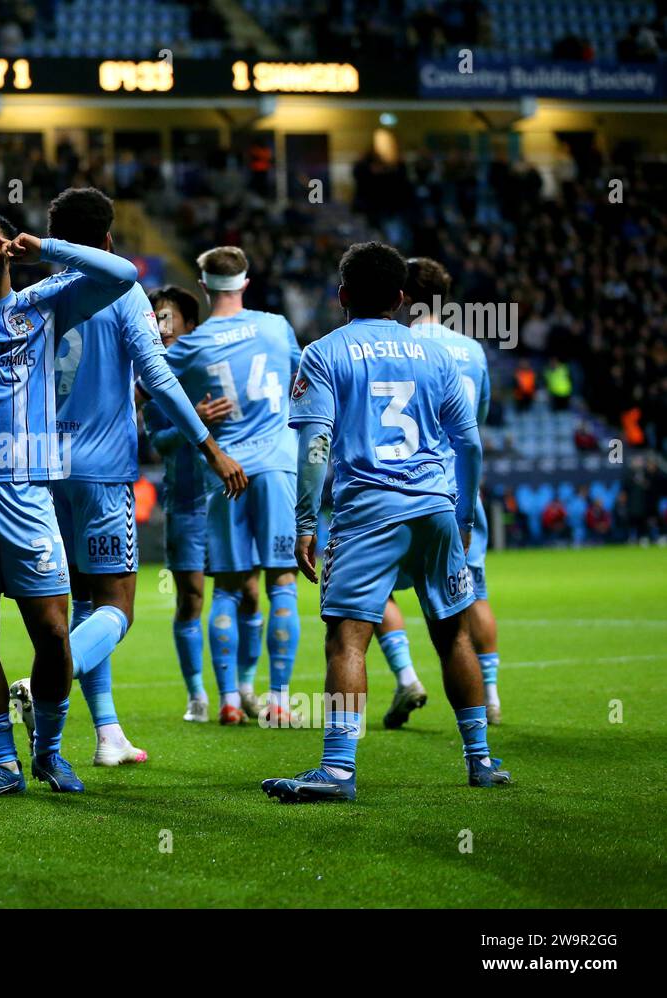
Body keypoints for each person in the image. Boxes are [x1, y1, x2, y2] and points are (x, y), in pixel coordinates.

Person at [0, 196, 244, 799]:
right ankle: (2, 765)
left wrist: (47, 248)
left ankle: (50, 752)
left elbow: (125, 275)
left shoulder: (42, 307)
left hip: (28, 495)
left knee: (55, 634)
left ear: (9, 248)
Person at [263, 241, 510, 803]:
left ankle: (338, 771)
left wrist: (306, 522)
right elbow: (469, 440)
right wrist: (465, 510)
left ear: (342, 294)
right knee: (452, 634)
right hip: (435, 508)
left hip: (368, 513)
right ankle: (481, 761)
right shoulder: (439, 355)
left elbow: (314, 446)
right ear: (401, 298)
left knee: (347, 641)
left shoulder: (324, 353)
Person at [11, 189, 247, 767]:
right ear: (109, 240)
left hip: (42, 474)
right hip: (101, 472)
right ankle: (43, 682)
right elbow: (160, 379)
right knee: (119, 607)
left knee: (81, 602)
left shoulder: (32, 296)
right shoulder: (123, 291)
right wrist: (210, 447)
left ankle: (107, 733)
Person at [166, 246, 303, 727]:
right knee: (281, 581)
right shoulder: (276, 327)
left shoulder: (191, 345)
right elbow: (299, 381)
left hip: (227, 473)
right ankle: (280, 700)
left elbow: (154, 391)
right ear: (244, 283)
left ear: (203, 287)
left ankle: (226, 699)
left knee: (225, 588)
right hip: (279, 467)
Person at [375, 257, 506, 726]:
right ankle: (488, 697)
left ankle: (407, 675)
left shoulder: (396, 346)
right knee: (472, 592)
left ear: (400, 295)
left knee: (379, 590)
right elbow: (478, 420)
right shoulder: (471, 349)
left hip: (406, 486)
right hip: (462, 488)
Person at [143, 285, 263, 722]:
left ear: (191, 325)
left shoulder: (217, 370)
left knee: (248, 592)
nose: (160, 325)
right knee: (191, 598)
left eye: (168, 317)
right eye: (155, 318)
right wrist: (197, 422)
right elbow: (159, 441)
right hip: (187, 503)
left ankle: (246, 687)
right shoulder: (153, 377)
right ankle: (198, 695)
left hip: (231, 499)